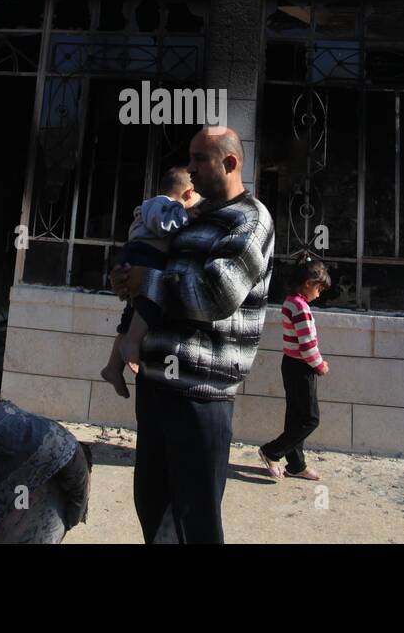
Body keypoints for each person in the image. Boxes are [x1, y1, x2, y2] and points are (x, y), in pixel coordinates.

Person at [110, 125, 274, 543]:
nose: (192, 169)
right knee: (154, 508)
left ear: (230, 162)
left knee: (196, 517)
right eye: (191, 158)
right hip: (155, 384)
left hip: (200, 393)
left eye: (201, 159)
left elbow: (214, 296)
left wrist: (147, 281)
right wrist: (126, 279)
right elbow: (158, 277)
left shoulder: (250, 221)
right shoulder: (188, 219)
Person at [99, 166, 203, 398]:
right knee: (151, 301)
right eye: (196, 197)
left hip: (143, 256)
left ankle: (112, 367)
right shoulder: (161, 203)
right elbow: (160, 224)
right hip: (145, 256)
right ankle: (132, 344)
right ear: (188, 192)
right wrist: (185, 216)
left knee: (131, 314)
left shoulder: (165, 205)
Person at [259, 257, 332, 481]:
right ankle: (272, 451)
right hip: (302, 367)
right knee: (310, 419)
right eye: (319, 288)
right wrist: (320, 365)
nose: (318, 294)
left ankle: (296, 464)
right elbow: (308, 345)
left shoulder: (290, 301)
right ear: (308, 283)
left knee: (295, 417)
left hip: (291, 364)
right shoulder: (301, 308)